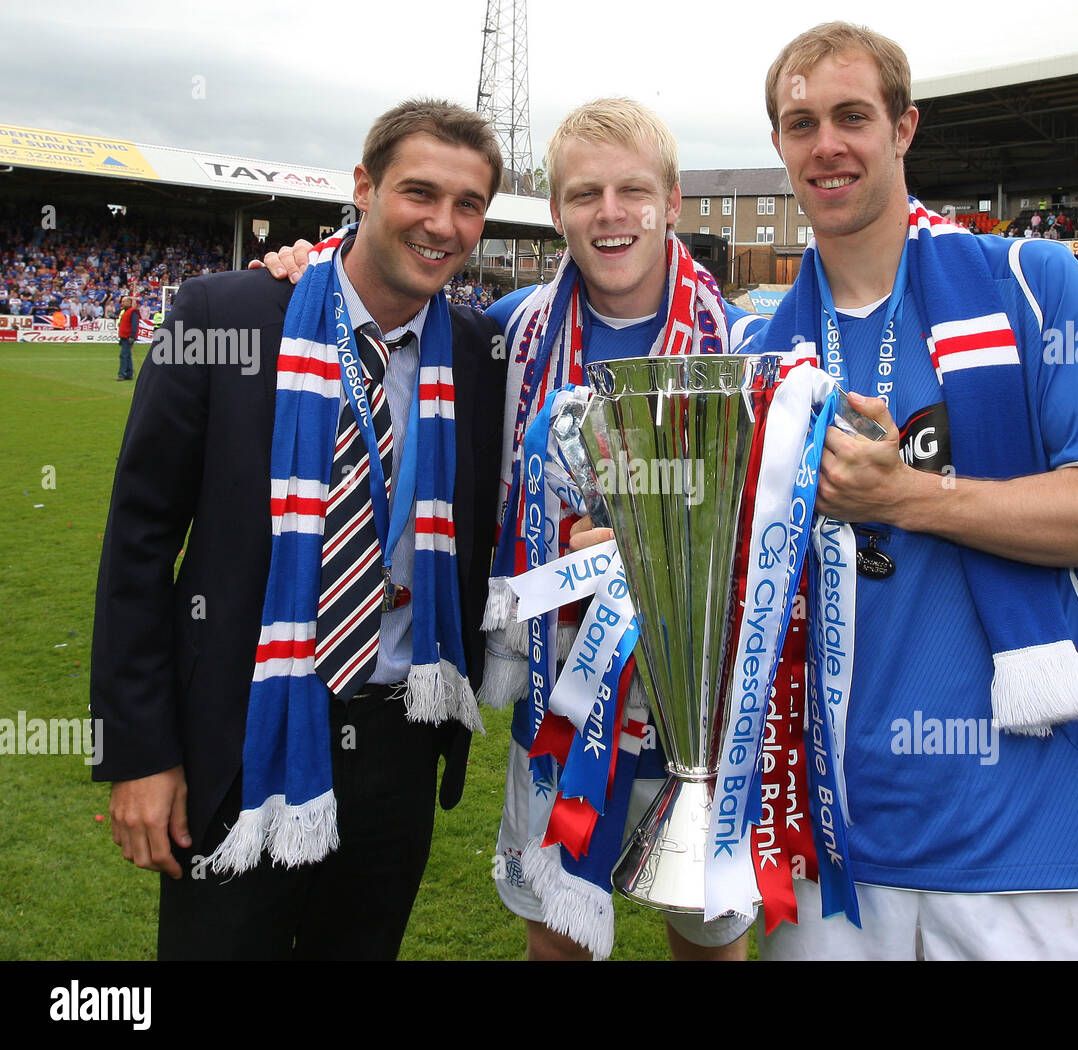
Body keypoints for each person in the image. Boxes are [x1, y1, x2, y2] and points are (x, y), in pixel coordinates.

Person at [259, 98, 764, 962]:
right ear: (557, 210)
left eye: (633, 191)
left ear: (674, 202)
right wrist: (311, 268)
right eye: (583, 194)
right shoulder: (509, 335)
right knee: (557, 937)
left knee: (707, 939)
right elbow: (368, 307)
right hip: (563, 692)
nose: (610, 214)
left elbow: (796, 519)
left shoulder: (749, 342)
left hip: (703, 700)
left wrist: (665, 542)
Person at [756, 21, 1078, 960]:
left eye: (853, 116)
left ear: (905, 129)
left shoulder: (1032, 283)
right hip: (828, 842)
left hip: (1014, 839)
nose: (827, 144)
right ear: (779, 145)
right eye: (800, 123)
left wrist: (906, 496)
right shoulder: (764, 348)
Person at [91, 99, 507, 960]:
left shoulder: (479, 349)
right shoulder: (225, 316)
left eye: (468, 205)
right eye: (419, 193)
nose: (442, 224)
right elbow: (138, 541)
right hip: (244, 732)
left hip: (397, 738)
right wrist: (137, 753)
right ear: (363, 187)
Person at [116, 294, 139, 380]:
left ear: (129, 302)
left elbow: (134, 325)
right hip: (124, 336)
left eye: (124, 301)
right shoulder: (125, 311)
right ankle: (129, 373)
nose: (122, 303)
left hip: (128, 336)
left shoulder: (132, 311)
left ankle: (122, 374)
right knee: (127, 355)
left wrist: (132, 336)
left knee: (123, 355)